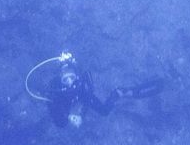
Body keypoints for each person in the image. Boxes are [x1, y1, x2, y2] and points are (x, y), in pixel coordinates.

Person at [26, 53, 163, 129]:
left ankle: (119, 93)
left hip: (82, 97)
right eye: (65, 80)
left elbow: (89, 94)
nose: (69, 82)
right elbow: (56, 113)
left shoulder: (82, 83)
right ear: (59, 79)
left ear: (77, 75)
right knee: (62, 124)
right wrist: (69, 116)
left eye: (72, 77)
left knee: (104, 111)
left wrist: (81, 111)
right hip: (66, 104)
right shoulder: (56, 90)